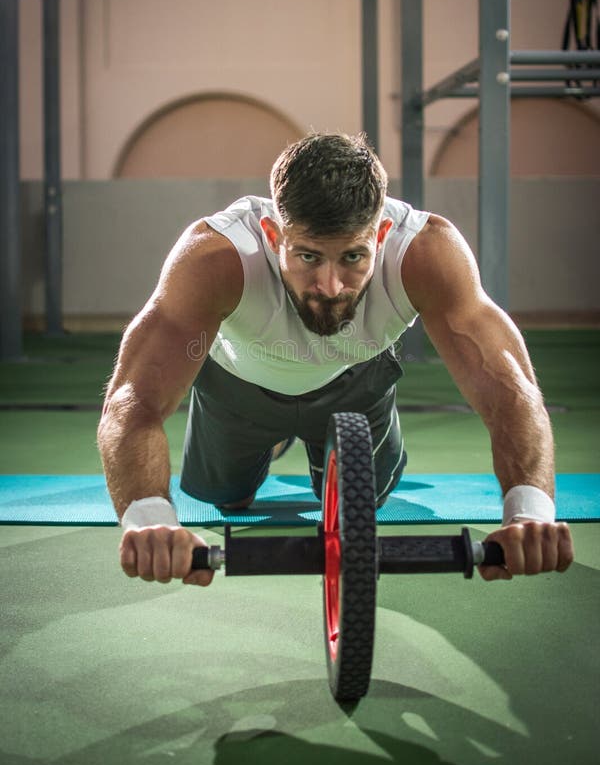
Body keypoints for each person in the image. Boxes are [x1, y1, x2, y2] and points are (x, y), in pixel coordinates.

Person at [97, 132, 574, 588]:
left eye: (352, 257)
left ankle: (311, 436)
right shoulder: (216, 257)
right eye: (308, 257)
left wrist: (529, 513)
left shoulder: (425, 252)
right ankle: (274, 439)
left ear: (381, 234)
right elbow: (134, 400)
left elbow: (508, 391)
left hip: (356, 381)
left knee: (360, 507)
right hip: (238, 387)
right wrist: (151, 521)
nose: (330, 286)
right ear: (272, 234)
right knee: (226, 500)